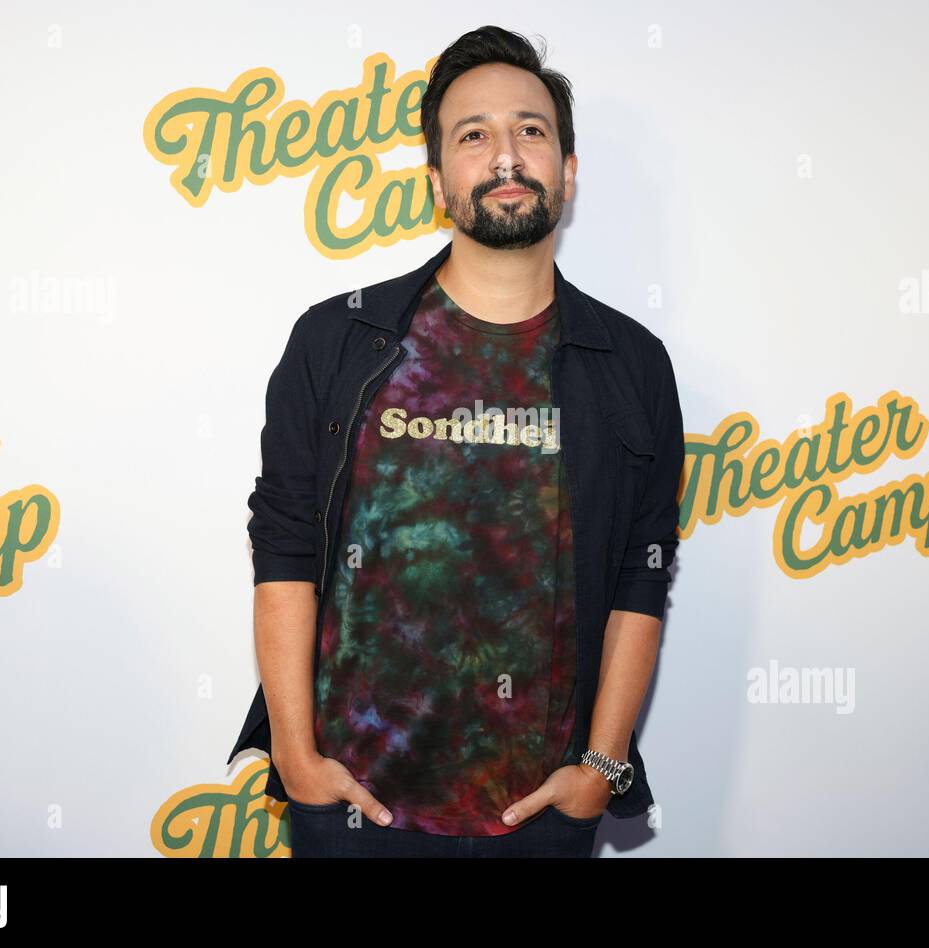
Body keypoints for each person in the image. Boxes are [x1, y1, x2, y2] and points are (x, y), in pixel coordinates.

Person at [227, 25, 685, 858]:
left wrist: (601, 766)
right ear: (438, 180)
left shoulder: (632, 364)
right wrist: (295, 759)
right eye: (473, 135)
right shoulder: (337, 342)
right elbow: (285, 550)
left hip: (543, 815)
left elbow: (641, 575)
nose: (506, 154)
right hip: (355, 807)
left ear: (568, 172)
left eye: (531, 130)